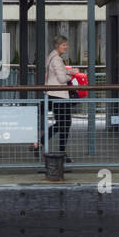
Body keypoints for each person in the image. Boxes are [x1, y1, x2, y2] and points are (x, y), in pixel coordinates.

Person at [41, 34, 76, 162]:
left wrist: (68, 71)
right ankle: (60, 152)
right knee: (65, 124)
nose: (66, 47)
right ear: (58, 45)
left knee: (62, 124)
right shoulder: (57, 59)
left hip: (53, 94)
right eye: (64, 45)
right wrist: (72, 75)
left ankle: (41, 143)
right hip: (59, 95)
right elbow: (61, 79)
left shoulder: (51, 57)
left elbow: (56, 74)